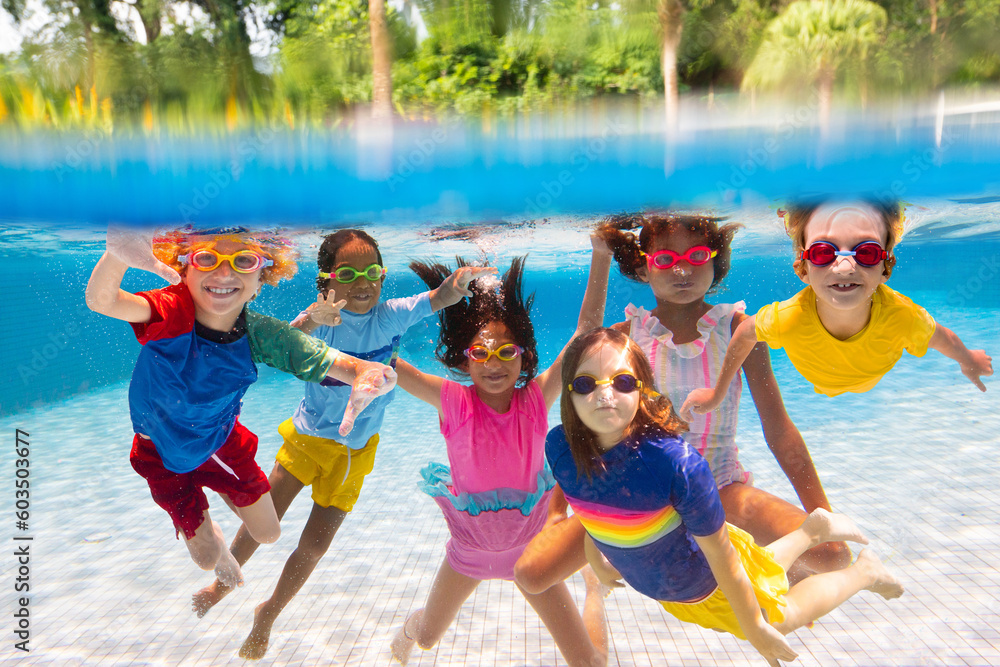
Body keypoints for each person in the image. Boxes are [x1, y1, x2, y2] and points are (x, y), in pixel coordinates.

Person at [190, 229, 495, 659]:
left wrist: (457, 285)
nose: (362, 283)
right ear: (327, 280)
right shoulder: (324, 319)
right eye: (348, 274)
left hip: (355, 451)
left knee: (314, 546)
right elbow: (287, 341)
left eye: (371, 273)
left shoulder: (390, 316)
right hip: (308, 439)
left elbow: (437, 298)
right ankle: (221, 586)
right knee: (263, 521)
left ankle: (269, 613)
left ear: (383, 276)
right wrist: (315, 318)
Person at [515, 214, 845, 600]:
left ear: (715, 260)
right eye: (665, 259)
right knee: (532, 574)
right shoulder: (625, 339)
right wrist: (559, 509)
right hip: (634, 489)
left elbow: (779, 430)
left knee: (832, 554)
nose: (683, 270)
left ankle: (759, 571)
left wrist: (823, 514)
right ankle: (602, 572)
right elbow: (588, 425)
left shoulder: (739, 331)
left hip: (718, 486)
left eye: (697, 255)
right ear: (644, 267)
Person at [549, 327, 904, 667]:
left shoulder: (676, 464)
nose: (605, 395)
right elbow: (594, 504)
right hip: (675, 579)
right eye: (586, 384)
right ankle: (812, 531)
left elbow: (723, 557)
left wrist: (756, 629)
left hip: (710, 578)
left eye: (623, 382)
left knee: (779, 618)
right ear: (569, 392)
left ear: (643, 391)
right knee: (760, 571)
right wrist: (596, 557)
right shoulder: (561, 447)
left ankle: (865, 572)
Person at [84, 226, 396, 591]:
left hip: (220, 442)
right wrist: (116, 255)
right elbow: (103, 301)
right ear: (184, 269)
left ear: (261, 278)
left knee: (268, 534)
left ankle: (220, 491)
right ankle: (210, 534)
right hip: (161, 453)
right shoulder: (170, 310)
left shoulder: (260, 335)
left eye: (244, 261)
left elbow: (326, 359)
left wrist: (366, 372)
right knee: (205, 558)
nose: (224, 273)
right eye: (206, 259)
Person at [389, 248, 612, 667]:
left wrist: (601, 253)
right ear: (465, 357)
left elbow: (587, 332)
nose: (494, 364)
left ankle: (593, 594)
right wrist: (354, 324)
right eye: (481, 353)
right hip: (468, 552)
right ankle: (407, 631)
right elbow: (385, 360)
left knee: (589, 663)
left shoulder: (536, 398)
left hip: (531, 552)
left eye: (506, 352)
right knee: (427, 638)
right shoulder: (452, 400)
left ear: (524, 355)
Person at [682, 201, 993, 417]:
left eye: (867, 252)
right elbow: (745, 334)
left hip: (871, 378)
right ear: (802, 267)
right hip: (818, 380)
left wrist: (968, 359)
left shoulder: (902, 316)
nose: (845, 267)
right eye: (822, 252)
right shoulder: (788, 317)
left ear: (886, 266)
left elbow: (942, 337)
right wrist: (717, 393)